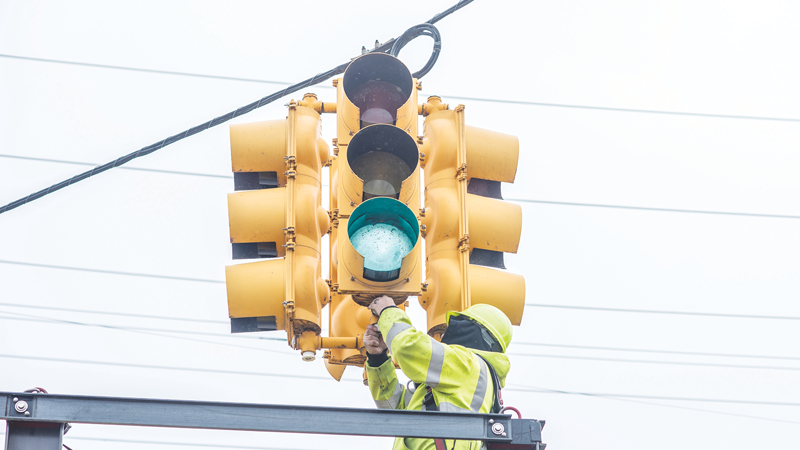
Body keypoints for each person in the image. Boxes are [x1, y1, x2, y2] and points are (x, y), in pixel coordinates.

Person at [364, 295, 513, 450]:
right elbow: (395, 409)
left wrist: (388, 311)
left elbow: (408, 347)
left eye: (453, 331)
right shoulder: (467, 379)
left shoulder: (467, 363)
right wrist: (378, 358)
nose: (442, 337)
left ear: (472, 332)